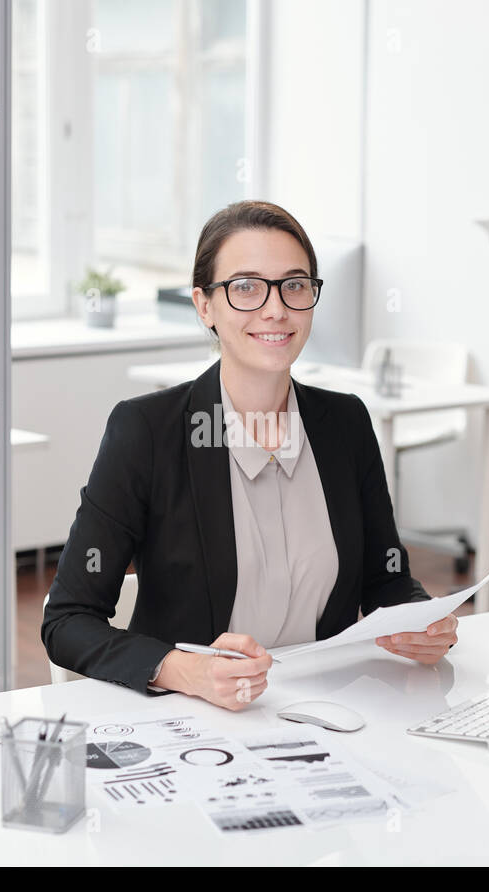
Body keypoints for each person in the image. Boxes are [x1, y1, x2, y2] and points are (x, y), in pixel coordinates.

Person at [42, 200, 459, 710]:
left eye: (295, 284)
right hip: (192, 723)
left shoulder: (345, 423)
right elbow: (67, 620)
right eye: (245, 287)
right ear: (204, 305)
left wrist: (420, 620)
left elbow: (384, 579)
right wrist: (184, 671)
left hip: (325, 713)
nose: (276, 308)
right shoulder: (147, 431)